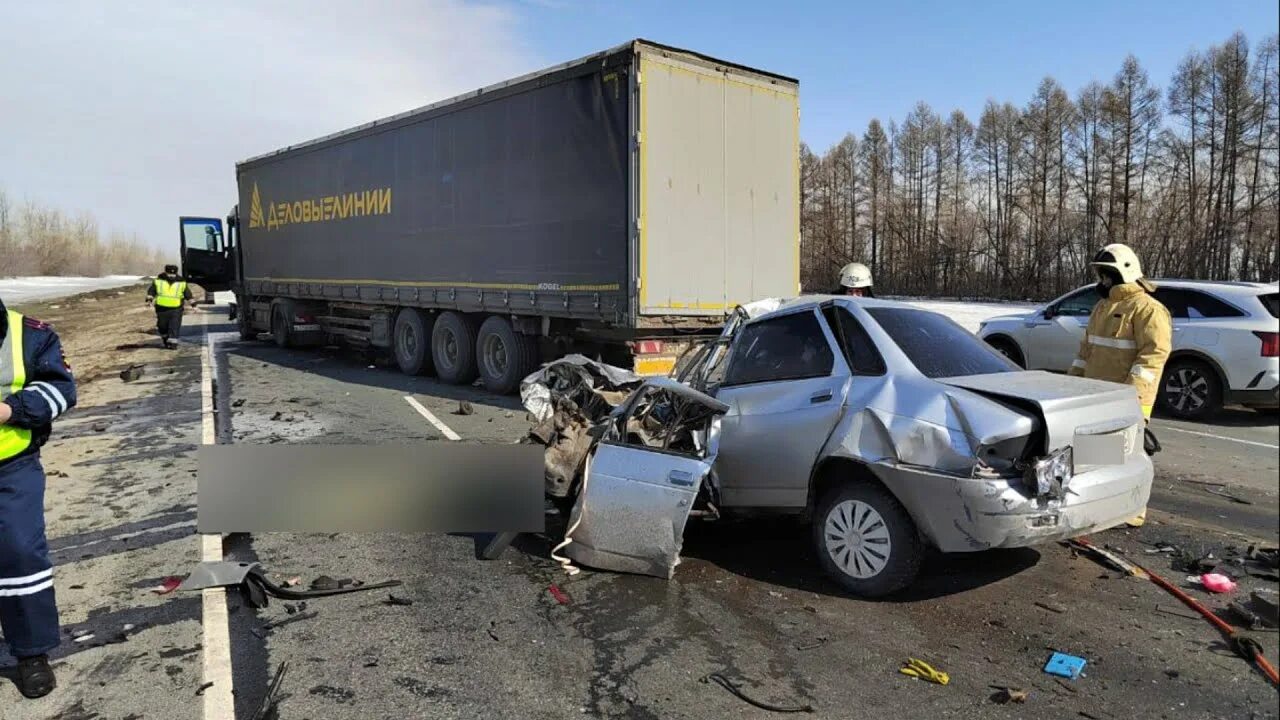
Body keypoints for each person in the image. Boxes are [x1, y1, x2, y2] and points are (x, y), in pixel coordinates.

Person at [0, 296, 77, 699]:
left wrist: (10, 410)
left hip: (11, 466)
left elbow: (61, 391)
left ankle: (31, 654)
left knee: (19, 553)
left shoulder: (29, 335)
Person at [1068, 243, 1172, 527]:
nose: (1101, 282)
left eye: (1106, 275)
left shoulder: (1148, 309)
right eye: (1101, 275)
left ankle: (1132, 510)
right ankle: (1105, 507)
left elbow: (1152, 357)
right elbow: (1086, 351)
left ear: (1123, 273)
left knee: (1126, 457)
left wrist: (1132, 397)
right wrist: (1071, 385)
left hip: (1125, 399)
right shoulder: (1103, 307)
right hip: (1096, 396)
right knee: (1095, 456)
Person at [146, 264, 195, 348]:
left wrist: (194, 305)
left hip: (176, 308)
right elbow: (152, 291)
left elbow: (187, 294)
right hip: (161, 308)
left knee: (174, 325)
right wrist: (149, 300)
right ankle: (165, 338)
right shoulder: (158, 280)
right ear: (165, 272)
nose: (171, 276)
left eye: (173, 274)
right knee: (162, 326)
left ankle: (173, 343)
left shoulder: (181, 282)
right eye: (169, 274)